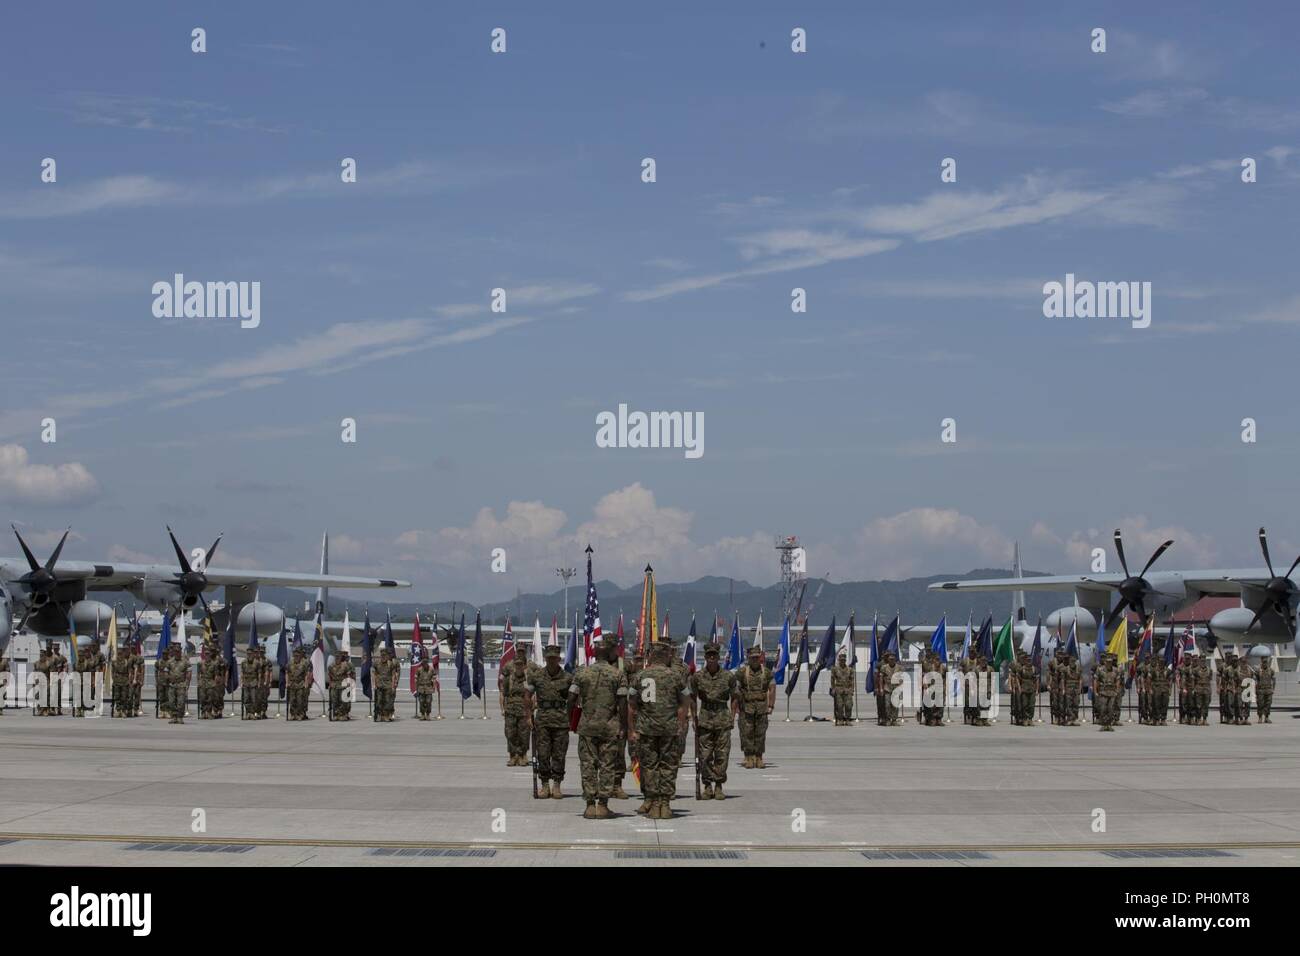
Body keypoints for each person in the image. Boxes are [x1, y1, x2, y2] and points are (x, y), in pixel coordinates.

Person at [628, 641, 690, 820]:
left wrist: (632, 729)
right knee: (668, 766)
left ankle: (654, 803)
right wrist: (680, 723)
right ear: (666, 656)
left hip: (646, 729)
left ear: (651, 656)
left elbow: (631, 705)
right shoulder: (676, 676)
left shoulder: (640, 676)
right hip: (669, 729)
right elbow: (685, 701)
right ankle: (665, 804)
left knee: (650, 766)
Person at [568, 638, 628, 819]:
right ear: (609, 654)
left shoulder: (582, 674)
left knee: (588, 765)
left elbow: (571, 698)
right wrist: (624, 726)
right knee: (607, 766)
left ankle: (589, 805)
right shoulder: (618, 675)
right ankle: (602, 805)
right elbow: (622, 703)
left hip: (587, 727)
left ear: (594, 654)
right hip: (609, 728)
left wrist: (570, 719)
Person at [690, 643, 737, 800]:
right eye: (709, 655)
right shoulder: (697, 677)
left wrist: (733, 716)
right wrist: (693, 717)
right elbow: (692, 698)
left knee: (722, 754)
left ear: (718, 657)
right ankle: (707, 785)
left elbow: (735, 697)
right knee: (705, 755)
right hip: (705, 718)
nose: (711, 658)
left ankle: (718, 786)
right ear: (705, 657)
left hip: (723, 717)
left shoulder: (728, 676)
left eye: (714, 655)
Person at [525, 643, 571, 798]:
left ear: (559, 659)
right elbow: (527, 695)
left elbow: (573, 699)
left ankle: (557, 785)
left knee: (559, 754)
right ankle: (545, 785)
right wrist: (528, 715)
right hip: (543, 720)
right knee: (543, 754)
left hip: (561, 721)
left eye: (554, 658)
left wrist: (572, 718)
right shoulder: (537, 676)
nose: (552, 661)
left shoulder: (567, 677)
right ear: (545, 658)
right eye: (549, 658)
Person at [736, 644, 775, 767]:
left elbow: (772, 688)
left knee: (760, 733)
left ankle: (759, 757)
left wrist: (771, 705)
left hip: (761, 708)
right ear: (748, 658)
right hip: (746, 708)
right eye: (752, 657)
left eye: (757, 657)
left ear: (760, 658)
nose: (755, 660)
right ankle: (748, 757)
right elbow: (736, 689)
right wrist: (736, 706)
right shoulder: (742, 672)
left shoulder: (767, 672)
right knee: (747, 733)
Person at [500, 651, 530, 764]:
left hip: (523, 710)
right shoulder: (508, 680)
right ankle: (513, 756)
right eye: (516, 664)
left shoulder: (528, 679)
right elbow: (503, 694)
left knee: (524, 734)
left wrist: (531, 709)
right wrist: (503, 709)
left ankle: (522, 755)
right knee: (510, 733)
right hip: (511, 710)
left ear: (524, 666)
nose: (518, 666)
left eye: (520, 664)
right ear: (514, 665)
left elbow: (531, 695)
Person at [1092, 653, 1122, 731]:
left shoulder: (1115, 670)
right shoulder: (1100, 669)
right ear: (1105, 662)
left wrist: (1117, 690)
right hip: (1103, 692)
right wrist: (1095, 691)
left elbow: (1118, 680)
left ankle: (1109, 724)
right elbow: (1096, 680)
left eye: (1110, 662)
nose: (1109, 663)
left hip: (1112, 692)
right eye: (1108, 662)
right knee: (1103, 708)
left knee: (1111, 708)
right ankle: (1104, 724)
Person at [164, 644, 190, 724]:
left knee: (181, 702)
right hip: (172, 685)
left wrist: (187, 683)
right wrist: (168, 678)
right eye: (175, 651)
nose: (177, 653)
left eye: (178, 651)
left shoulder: (185, 662)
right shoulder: (169, 661)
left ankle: (180, 717)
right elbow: (165, 672)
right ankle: (173, 717)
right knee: (171, 702)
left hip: (181, 684)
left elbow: (189, 673)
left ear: (180, 652)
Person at [329, 651, 355, 720]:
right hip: (335, 685)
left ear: (341, 658)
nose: (337, 658)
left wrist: (349, 684)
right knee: (335, 700)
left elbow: (349, 675)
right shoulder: (331, 666)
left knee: (343, 700)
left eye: (339, 657)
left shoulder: (346, 665)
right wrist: (330, 684)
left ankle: (342, 714)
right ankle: (336, 714)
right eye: (336, 657)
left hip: (343, 684)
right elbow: (330, 676)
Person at [372, 647, 397, 721]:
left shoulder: (391, 664)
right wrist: (374, 684)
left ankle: (386, 715)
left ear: (387, 655)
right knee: (378, 701)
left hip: (388, 685)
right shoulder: (376, 663)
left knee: (387, 701)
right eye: (382, 655)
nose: (383, 656)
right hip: (379, 685)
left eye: (385, 655)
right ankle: (379, 715)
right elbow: (374, 674)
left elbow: (393, 675)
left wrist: (393, 686)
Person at [287, 646, 312, 720]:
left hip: (300, 684)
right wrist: (287, 682)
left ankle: (300, 714)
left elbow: (308, 673)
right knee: (292, 700)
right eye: (295, 654)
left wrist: (307, 683)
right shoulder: (290, 662)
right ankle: (293, 714)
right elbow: (287, 672)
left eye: (298, 654)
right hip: (292, 684)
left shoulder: (305, 662)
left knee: (300, 700)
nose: (296, 656)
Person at [830, 652, 854, 725]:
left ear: (845, 660)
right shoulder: (835, 669)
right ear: (839, 660)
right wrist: (833, 689)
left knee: (849, 705)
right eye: (841, 660)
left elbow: (852, 680)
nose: (842, 661)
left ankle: (847, 719)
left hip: (847, 690)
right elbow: (832, 679)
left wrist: (852, 689)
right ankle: (840, 719)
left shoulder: (850, 669)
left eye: (844, 660)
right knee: (839, 706)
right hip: (838, 690)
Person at [1060, 653, 1081, 726]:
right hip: (1068, 688)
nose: (1072, 663)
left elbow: (1080, 680)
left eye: (1073, 661)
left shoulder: (1078, 669)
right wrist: (1063, 689)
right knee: (1068, 704)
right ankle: (1069, 718)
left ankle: (1074, 719)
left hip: (1076, 689)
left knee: (1076, 703)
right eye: (1071, 661)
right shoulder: (1065, 669)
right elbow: (1063, 680)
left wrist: (1080, 688)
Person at [111, 645, 132, 717]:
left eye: (121, 653)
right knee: (117, 697)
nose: (120, 655)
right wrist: (114, 679)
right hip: (117, 681)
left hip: (124, 681)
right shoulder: (114, 662)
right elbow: (112, 672)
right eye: (118, 654)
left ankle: (123, 711)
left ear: (123, 654)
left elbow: (129, 672)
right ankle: (118, 710)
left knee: (124, 697)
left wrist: (129, 680)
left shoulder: (127, 662)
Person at [413, 656, 436, 720]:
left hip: (429, 688)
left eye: (426, 662)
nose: (425, 663)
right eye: (423, 662)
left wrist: (434, 687)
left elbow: (434, 679)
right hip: (421, 688)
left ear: (427, 662)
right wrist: (416, 688)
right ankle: (423, 714)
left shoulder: (431, 669)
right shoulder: (419, 669)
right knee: (421, 701)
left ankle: (428, 714)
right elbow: (416, 679)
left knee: (428, 701)